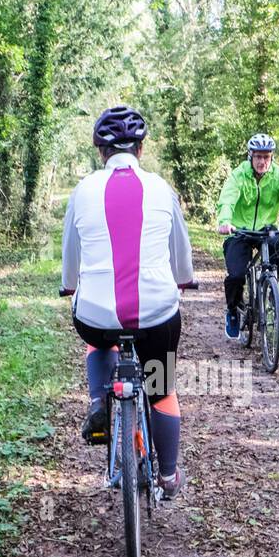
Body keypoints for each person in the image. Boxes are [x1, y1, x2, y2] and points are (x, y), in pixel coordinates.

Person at [61, 105, 194, 499]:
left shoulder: (82, 190)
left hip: (96, 314)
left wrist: (70, 286)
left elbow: (71, 259)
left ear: (100, 150)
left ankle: (100, 397)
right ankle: (168, 476)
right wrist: (183, 280)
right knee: (161, 387)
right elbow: (181, 257)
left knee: (97, 335)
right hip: (157, 315)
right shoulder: (161, 189)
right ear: (141, 148)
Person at [215, 133, 279, 339]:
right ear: (250, 156)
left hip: (265, 230)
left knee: (277, 245)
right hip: (239, 230)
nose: (262, 161)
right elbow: (227, 200)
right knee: (236, 275)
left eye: (266, 157)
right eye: (258, 157)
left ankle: (271, 290)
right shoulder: (239, 175)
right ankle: (233, 310)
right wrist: (225, 222)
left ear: (272, 158)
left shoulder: (278, 175)